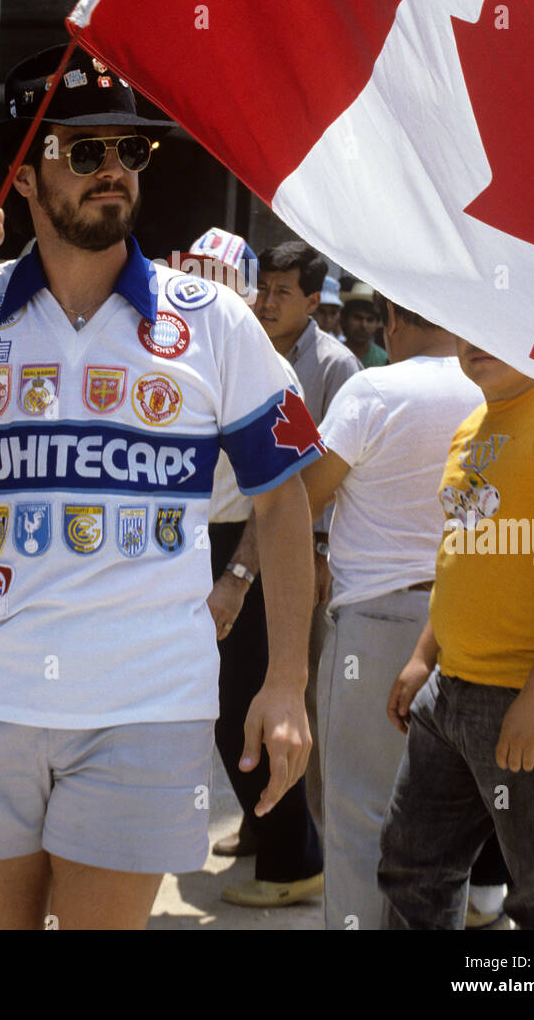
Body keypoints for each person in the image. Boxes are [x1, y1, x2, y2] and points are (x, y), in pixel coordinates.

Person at [0, 44, 320, 931]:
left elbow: (284, 497)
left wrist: (284, 680)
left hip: (149, 704)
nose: (114, 171)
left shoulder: (213, 322)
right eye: (84, 153)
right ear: (24, 176)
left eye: (130, 151)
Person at [378, 340, 534, 930]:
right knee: (411, 869)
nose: (476, 342)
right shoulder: (474, 425)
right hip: (451, 692)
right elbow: (463, 552)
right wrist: (424, 656)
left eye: (498, 328)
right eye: (469, 328)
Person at [301, 294, 483, 928]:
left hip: (376, 629)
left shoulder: (372, 390)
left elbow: (304, 499)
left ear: (394, 322)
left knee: (357, 816)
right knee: (442, 834)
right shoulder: (490, 390)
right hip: (469, 623)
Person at [189, 229, 323, 907]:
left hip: (242, 549)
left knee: (247, 707)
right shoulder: (182, 353)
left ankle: (292, 862)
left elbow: (280, 497)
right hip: (194, 544)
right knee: (218, 706)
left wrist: (236, 579)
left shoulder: (263, 367)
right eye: (194, 276)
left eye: (218, 279)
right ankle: (259, 822)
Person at [254, 240, 361, 827]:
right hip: (236, 549)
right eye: (263, 287)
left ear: (314, 301)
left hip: (306, 555)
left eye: (283, 292)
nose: (267, 302)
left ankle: (308, 837)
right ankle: (261, 823)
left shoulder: (336, 367)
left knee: (303, 694)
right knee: (245, 687)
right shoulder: (241, 348)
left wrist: (320, 549)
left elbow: (337, 473)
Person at [339, 283, 388, 368]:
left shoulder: (384, 360)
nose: (363, 325)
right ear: (345, 319)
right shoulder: (333, 353)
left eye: (370, 319)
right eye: (357, 317)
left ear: (377, 324)